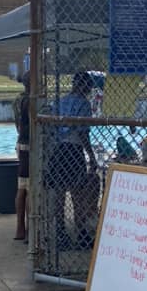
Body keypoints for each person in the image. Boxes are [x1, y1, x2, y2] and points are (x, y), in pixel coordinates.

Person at [46, 70, 98, 251]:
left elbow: (52, 129)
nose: (89, 91)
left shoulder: (60, 102)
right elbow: (83, 133)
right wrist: (91, 156)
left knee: (59, 194)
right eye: (88, 87)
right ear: (83, 86)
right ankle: (81, 233)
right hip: (74, 149)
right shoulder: (84, 104)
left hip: (59, 149)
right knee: (78, 194)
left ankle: (61, 232)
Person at [12, 70, 30, 241]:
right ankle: (30, 229)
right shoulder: (31, 101)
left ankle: (20, 228)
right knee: (30, 188)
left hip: (20, 142)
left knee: (22, 186)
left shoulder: (17, 100)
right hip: (30, 144)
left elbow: (18, 124)